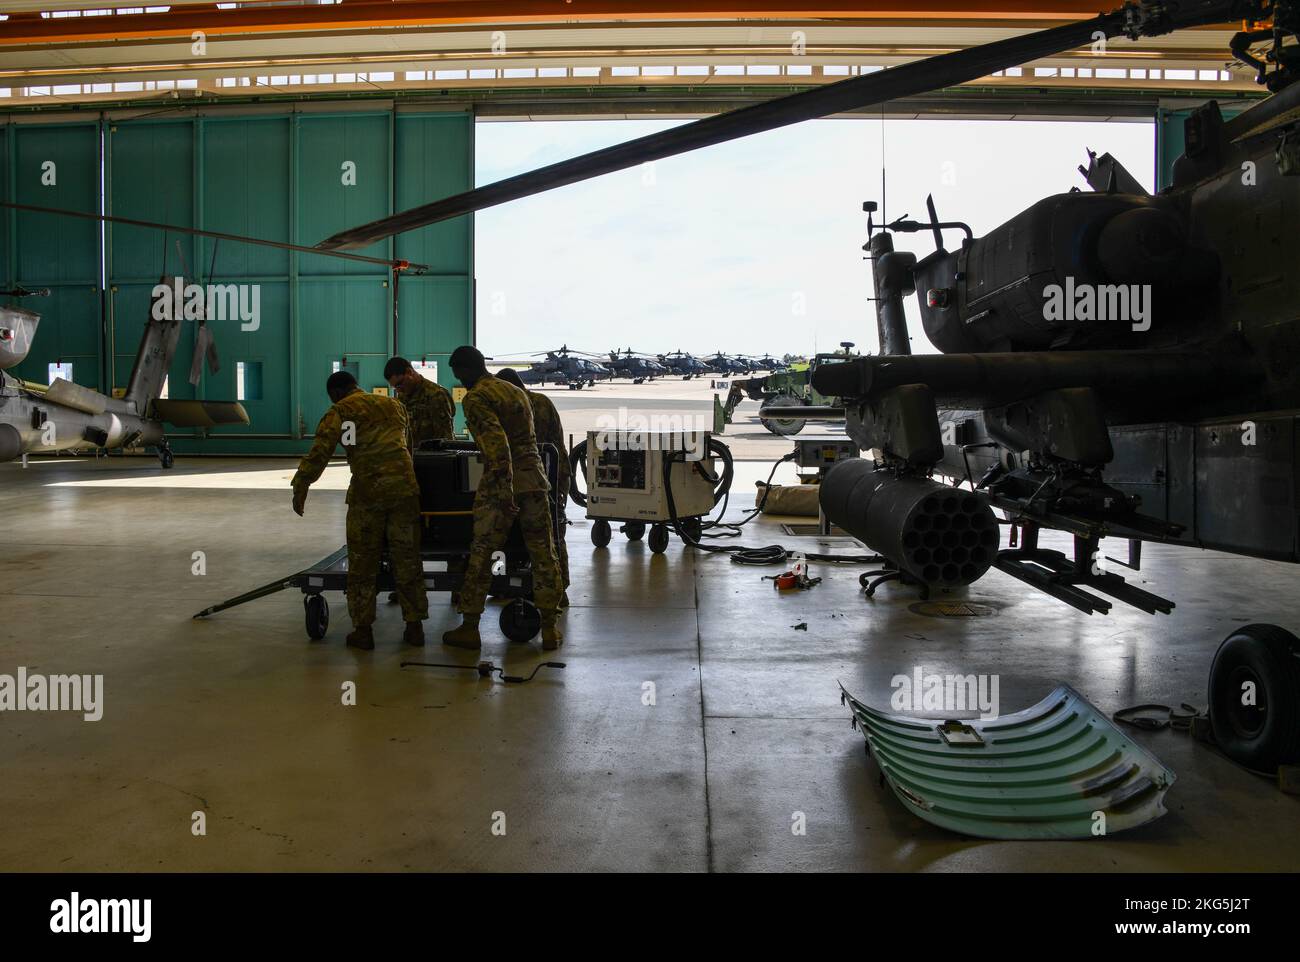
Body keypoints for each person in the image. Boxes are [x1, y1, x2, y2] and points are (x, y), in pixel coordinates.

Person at [291, 371, 428, 651]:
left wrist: (301, 483)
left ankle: (363, 632)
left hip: (369, 492)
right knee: (407, 559)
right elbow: (409, 445)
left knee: (363, 563)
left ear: (335, 393)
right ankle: (415, 628)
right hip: (404, 490)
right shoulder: (394, 404)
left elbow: (320, 451)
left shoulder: (340, 410)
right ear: (357, 386)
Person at [443, 346, 563, 650]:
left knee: (483, 552)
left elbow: (497, 448)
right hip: (535, 480)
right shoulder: (515, 391)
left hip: (503, 484)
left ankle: (470, 627)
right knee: (542, 551)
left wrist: (504, 489)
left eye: (458, 374)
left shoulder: (477, 398)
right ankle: (549, 627)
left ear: (467, 369)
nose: (459, 380)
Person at [497, 367, 571, 606]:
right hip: (553, 475)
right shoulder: (542, 402)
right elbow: (557, 441)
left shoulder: (510, 407)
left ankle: (505, 584)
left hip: (529, 479)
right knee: (553, 534)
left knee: (510, 534)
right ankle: (559, 590)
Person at [384, 356, 456, 448]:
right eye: (395, 388)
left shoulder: (436, 395)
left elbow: (445, 436)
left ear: (409, 372)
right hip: (412, 455)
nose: (398, 391)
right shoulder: (403, 397)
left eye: (399, 384)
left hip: (434, 457)